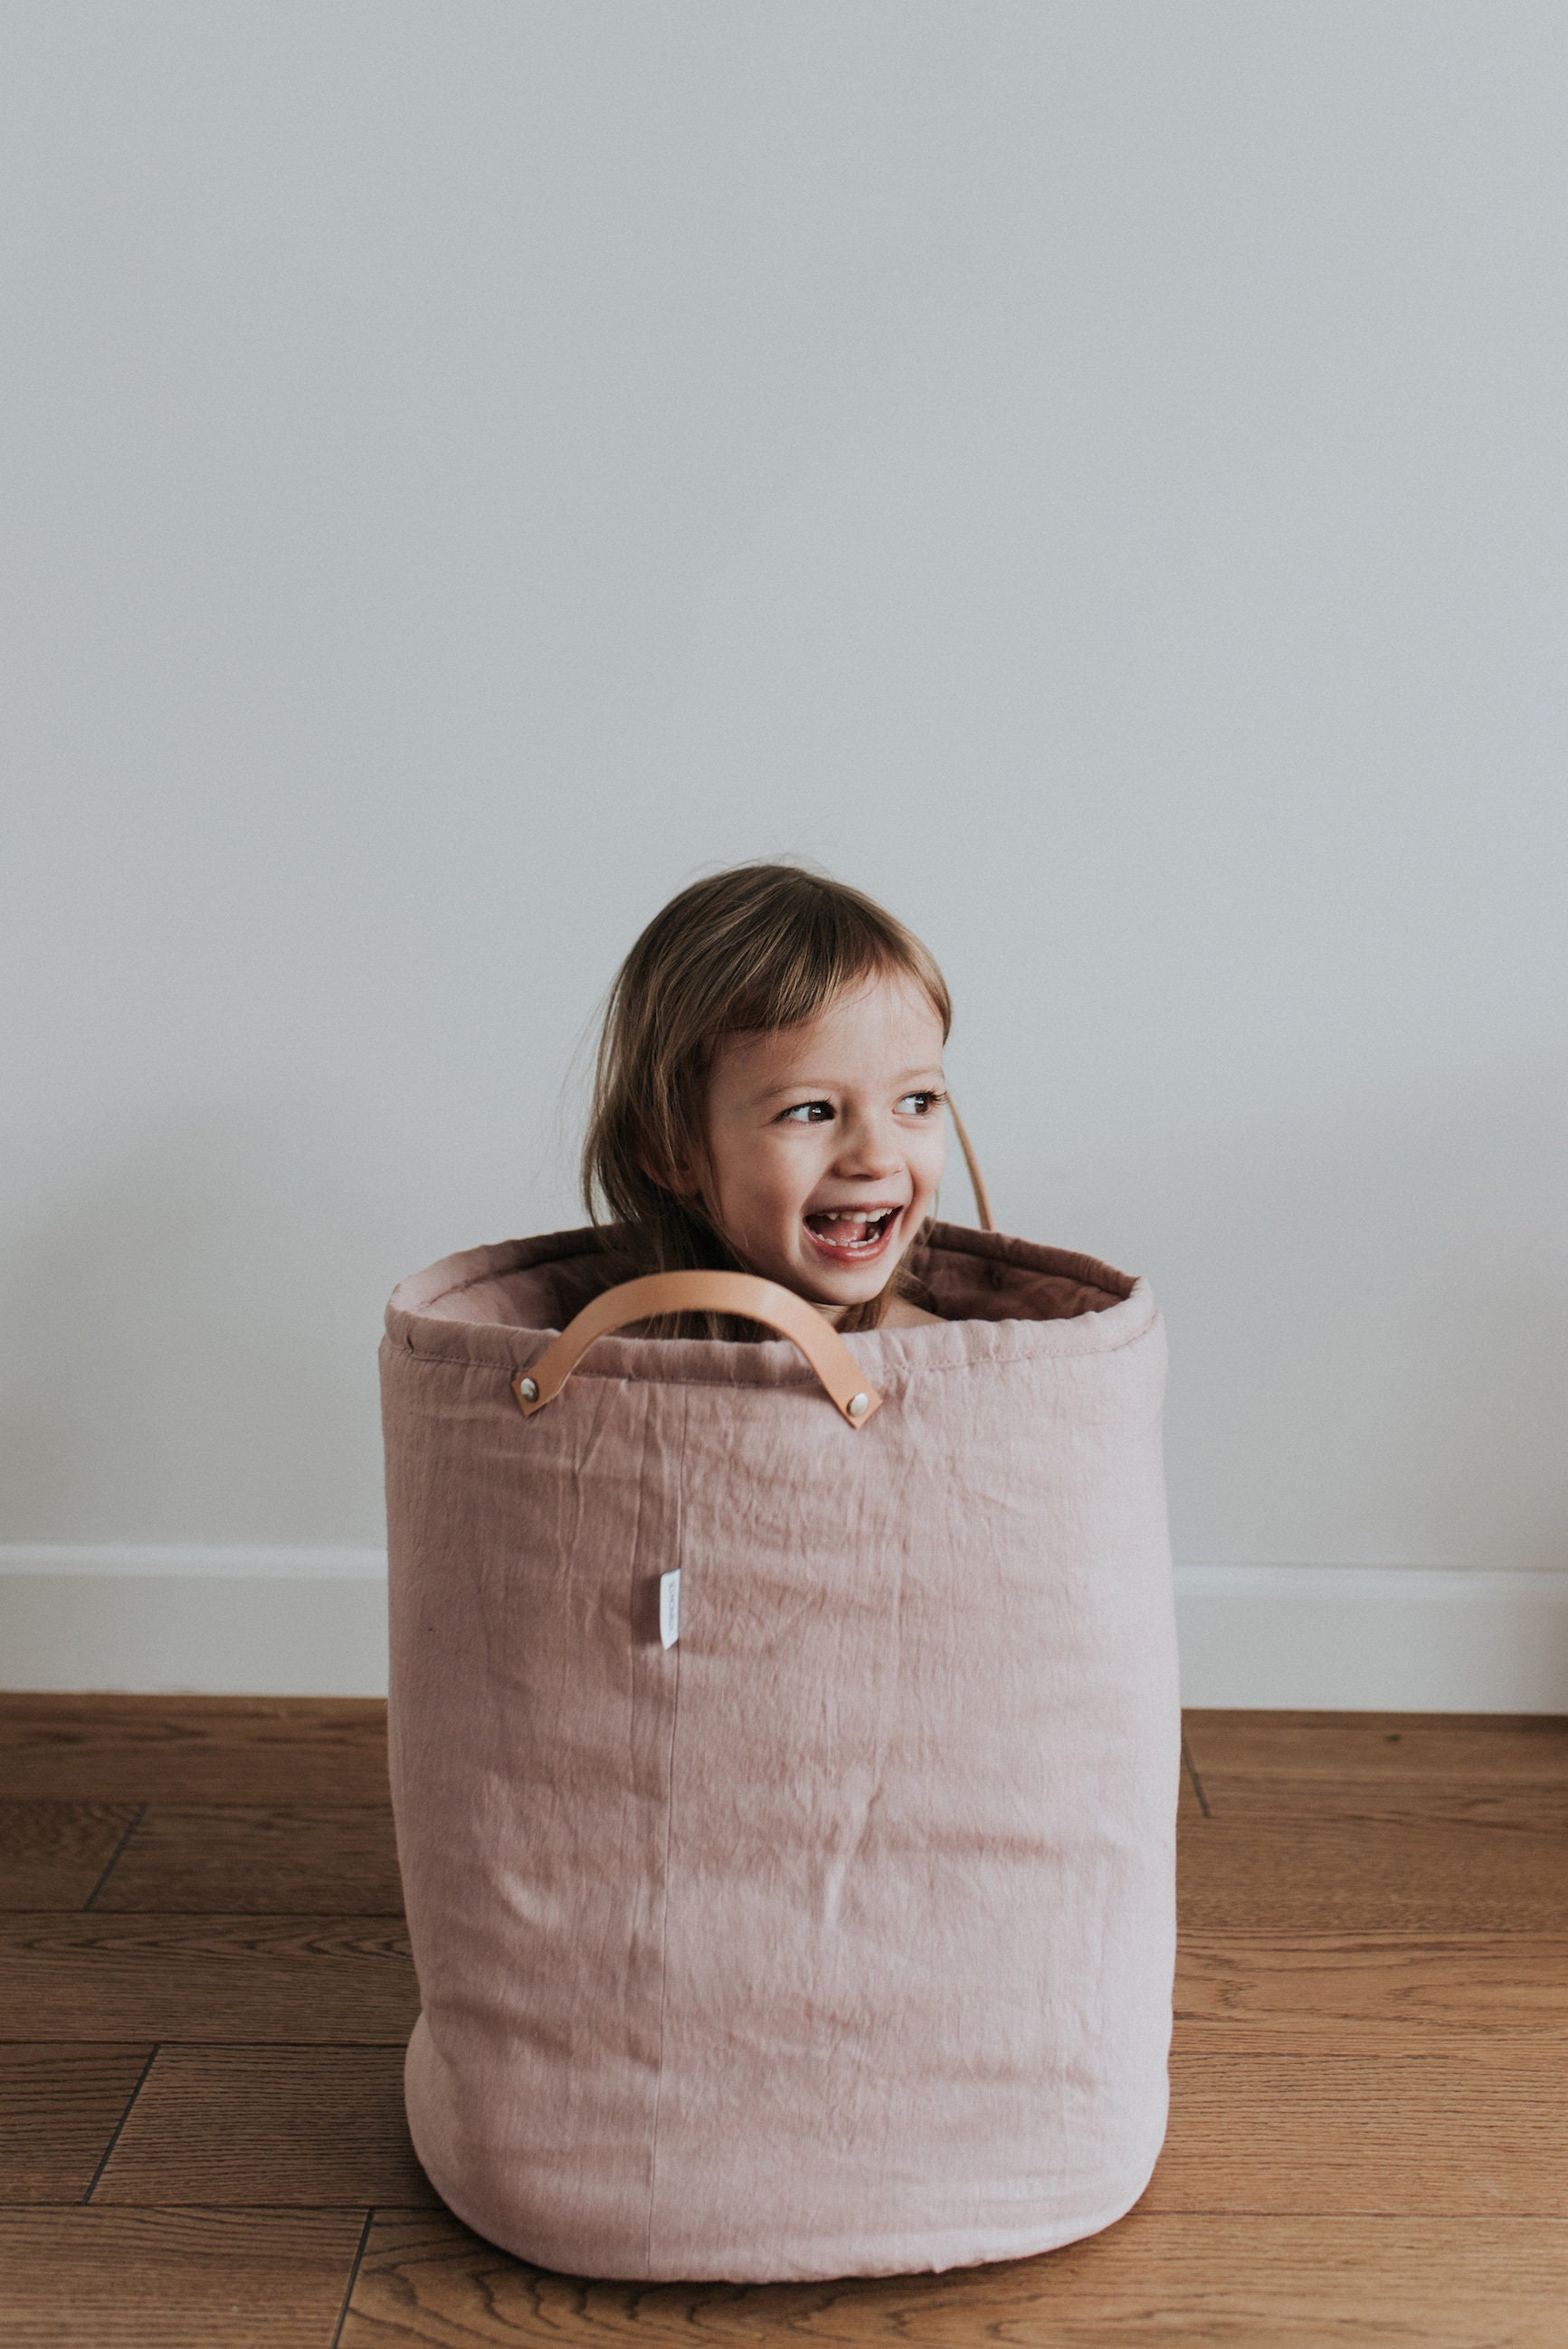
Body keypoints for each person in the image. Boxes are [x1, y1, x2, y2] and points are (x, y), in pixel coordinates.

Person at [581, 861, 962, 1335]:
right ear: (670, 1150)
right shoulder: (589, 1366)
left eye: (916, 1102)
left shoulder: (962, 1362)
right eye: (812, 1111)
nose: (877, 1160)